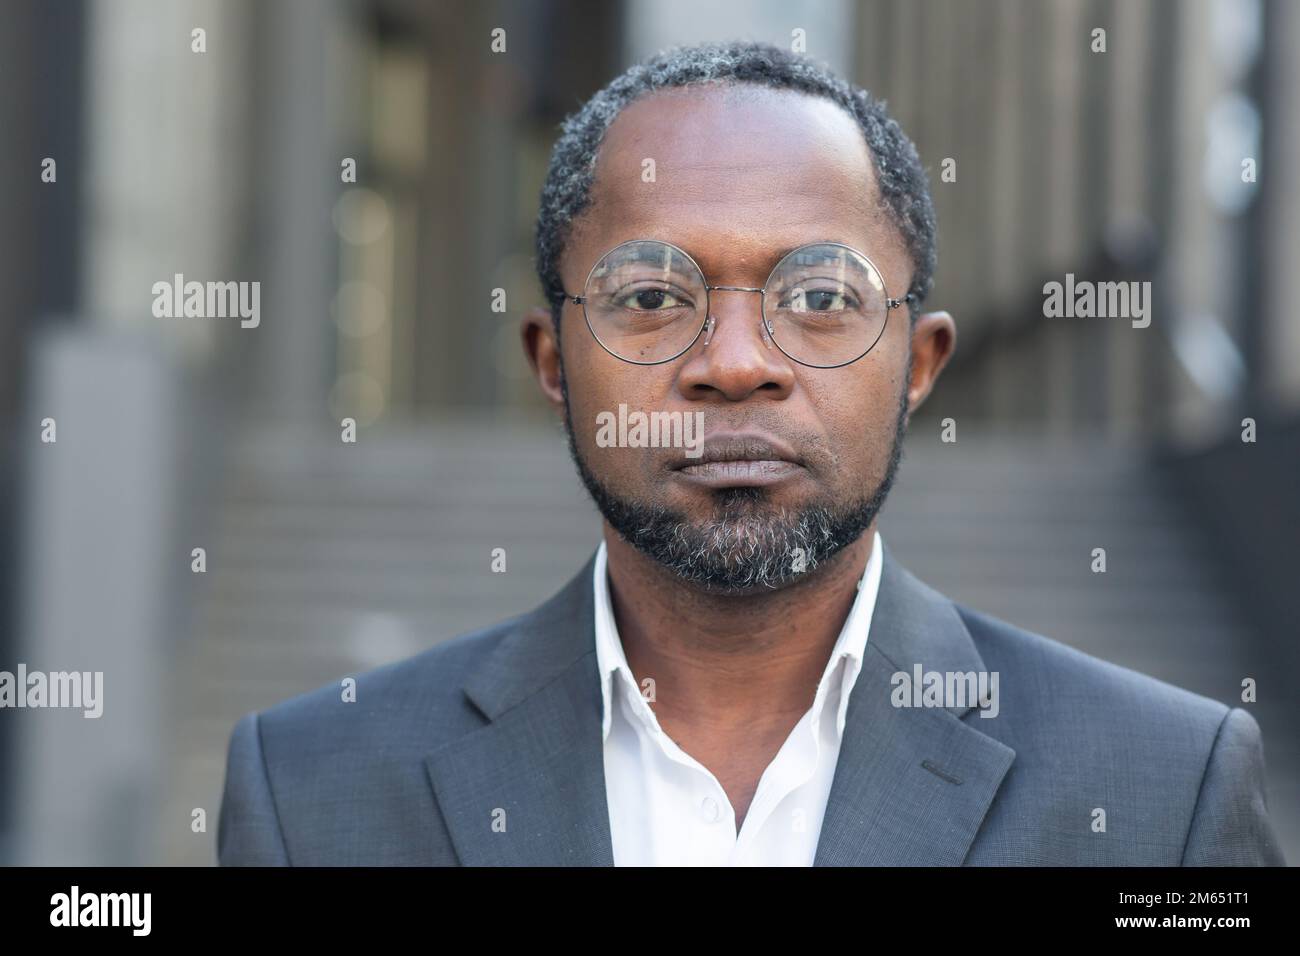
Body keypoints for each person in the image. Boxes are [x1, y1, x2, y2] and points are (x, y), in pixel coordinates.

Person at [217, 39, 1285, 866]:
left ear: (918, 361)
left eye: (819, 298)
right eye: (650, 296)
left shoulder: (1162, 790)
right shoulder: (314, 789)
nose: (734, 363)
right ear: (552, 362)